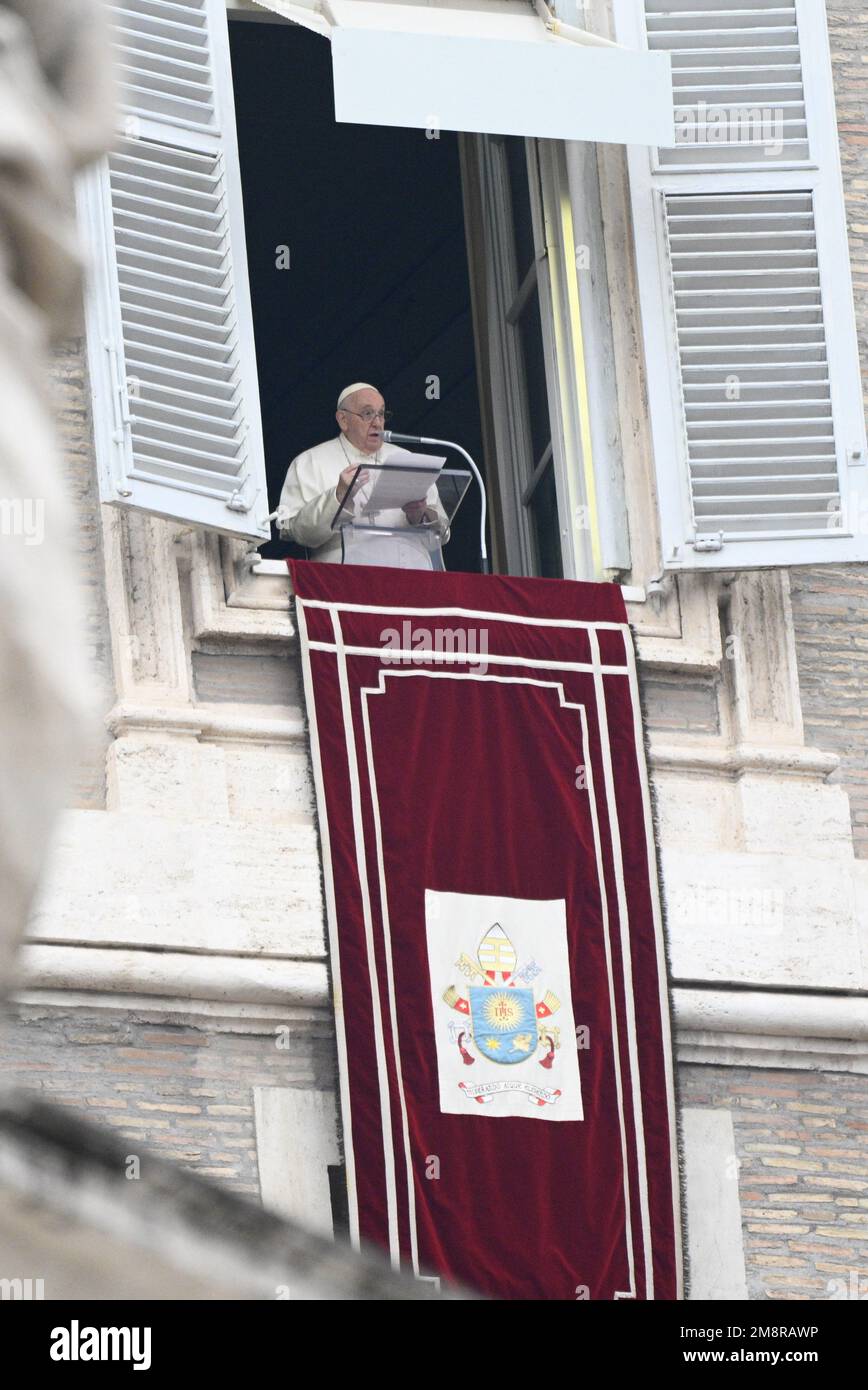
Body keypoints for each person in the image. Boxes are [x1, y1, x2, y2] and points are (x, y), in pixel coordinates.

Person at [277, 383, 449, 564]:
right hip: (344, 581)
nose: (377, 422)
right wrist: (339, 496)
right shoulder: (310, 462)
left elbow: (443, 535)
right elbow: (299, 533)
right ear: (343, 420)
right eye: (367, 414)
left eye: (381, 414)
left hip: (411, 578)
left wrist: (422, 515)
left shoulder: (408, 460)